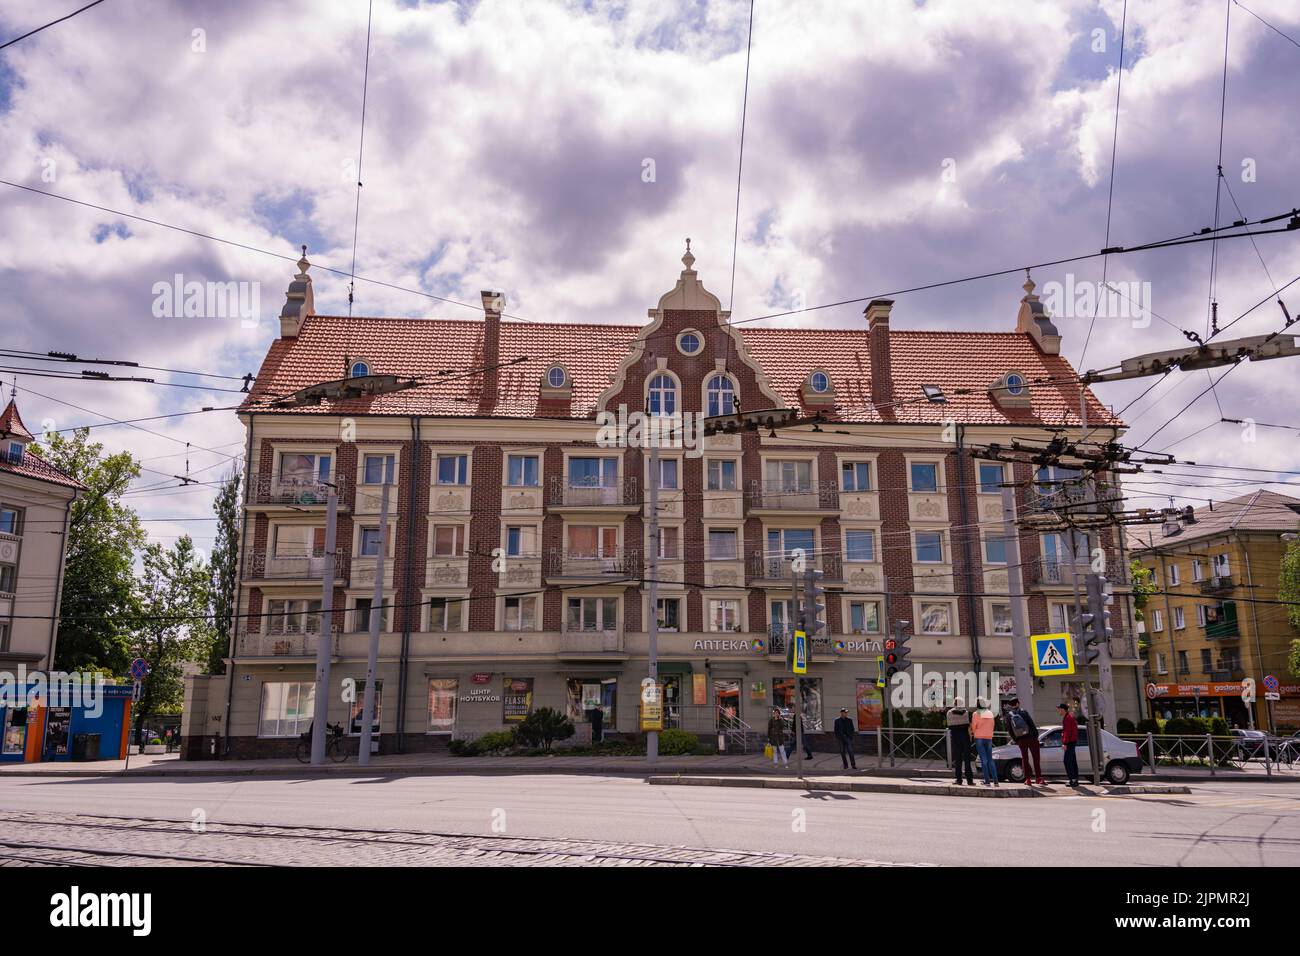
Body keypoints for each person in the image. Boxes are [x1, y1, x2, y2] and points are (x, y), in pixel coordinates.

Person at [1003, 697, 1044, 785]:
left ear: (1011, 705)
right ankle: (1039, 778)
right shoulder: (1023, 712)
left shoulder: (1009, 715)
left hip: (1021, 740)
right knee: (1036, 758)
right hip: (1031, 738)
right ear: (1018, 703)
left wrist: (1016, 740)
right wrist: (1036, 736)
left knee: (1024, 759)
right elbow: (1031, 724)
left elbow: (1010, 730)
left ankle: (1028, 779)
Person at [946, 696, 974, 785]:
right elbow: (968, 725)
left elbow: (950, 726)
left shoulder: (949, 713)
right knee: (967, 759)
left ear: (954, 703)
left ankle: (959, 780)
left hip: (955, 738)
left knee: (958, 759)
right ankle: (969, 780)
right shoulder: (966, 713)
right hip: (965, 737)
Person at [971, 698, 998, 786]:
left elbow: (974, 726)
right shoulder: (990, 713)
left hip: (979, 737)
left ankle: (987, 781)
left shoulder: (976, 713)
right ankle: (996, 781)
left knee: (983, 760)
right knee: (990, 759)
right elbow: (993, 725)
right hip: (989, 737)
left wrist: (975, 733)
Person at [1058, 702, 1080, 787]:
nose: (1058, 711)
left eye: (1059, 709)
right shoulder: (1070, 717)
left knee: (1067, 761)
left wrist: (1065, 743)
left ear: (1063, 710)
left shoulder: (1067, 718)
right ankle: (1075, 779)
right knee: (1072, 761)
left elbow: (1067, 732)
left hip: (1070, 742)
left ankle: (1072, 780)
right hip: (1072, 741)